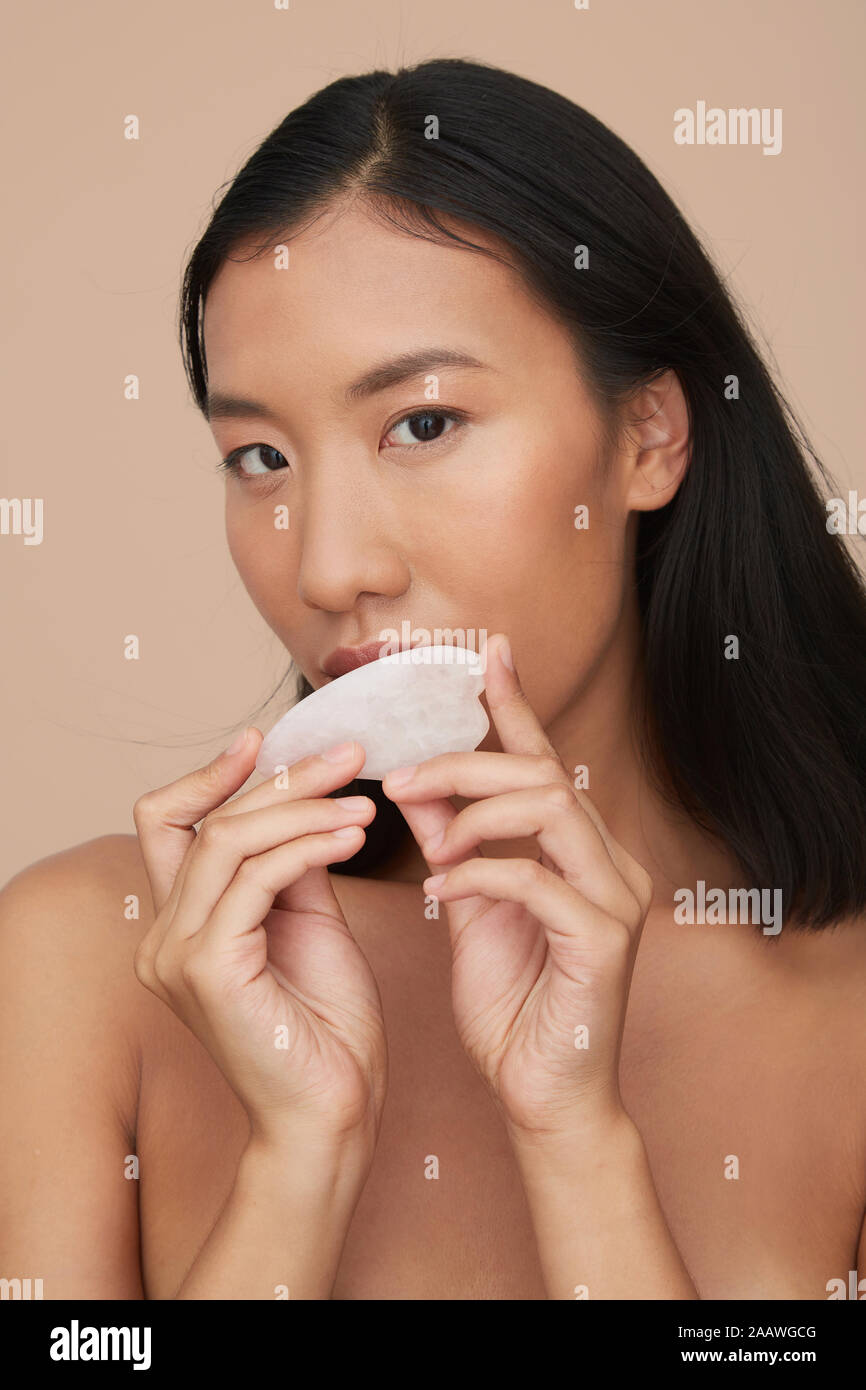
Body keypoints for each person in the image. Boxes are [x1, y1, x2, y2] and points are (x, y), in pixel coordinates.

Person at [2, 57, 865, 1301]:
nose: (329, 564)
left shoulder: (841, 1010)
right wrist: (297, 1158)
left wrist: (578, 1142)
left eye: (421, 424)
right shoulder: (87, 962)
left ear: (648, 436)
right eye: (258, 455)